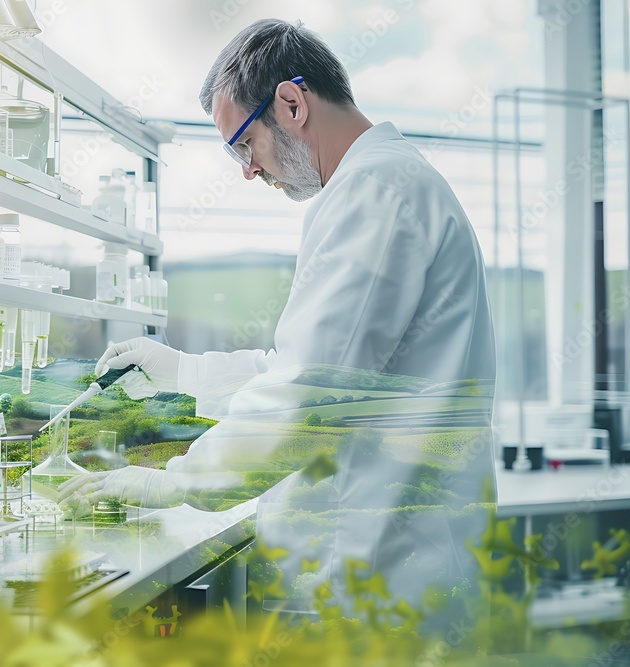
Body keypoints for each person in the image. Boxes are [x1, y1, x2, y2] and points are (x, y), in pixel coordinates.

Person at [60, 19, 497, 625]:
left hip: (382, 578)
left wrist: (171, 483)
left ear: (291, 104)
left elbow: (307, 398)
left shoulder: (374, 192)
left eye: (243, 145)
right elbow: (313, 369)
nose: (248, 170)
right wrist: (185, 372)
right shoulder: (384, 184)